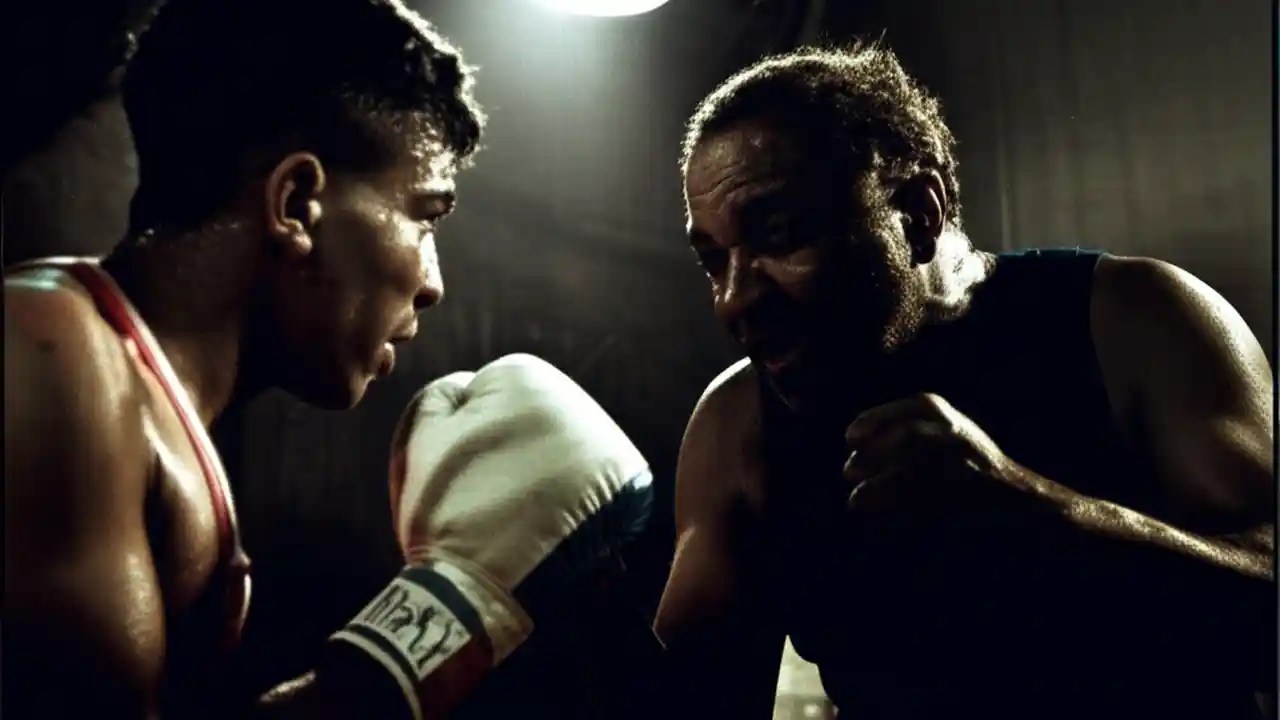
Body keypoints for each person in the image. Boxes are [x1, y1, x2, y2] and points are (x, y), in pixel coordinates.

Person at [3, 1, 652, 718]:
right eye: (425, 217)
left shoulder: (150, 411)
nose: (433, 283)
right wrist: (434, 629)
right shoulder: (50, 351)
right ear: (299, 202)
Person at [654, 41, 1275, 719]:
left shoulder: (1133, 320)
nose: (733, 298)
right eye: (714, 260)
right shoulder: (739, 424)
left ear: (918, 213)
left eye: (779, 234)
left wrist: (1041, 512)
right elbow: (693, 688)